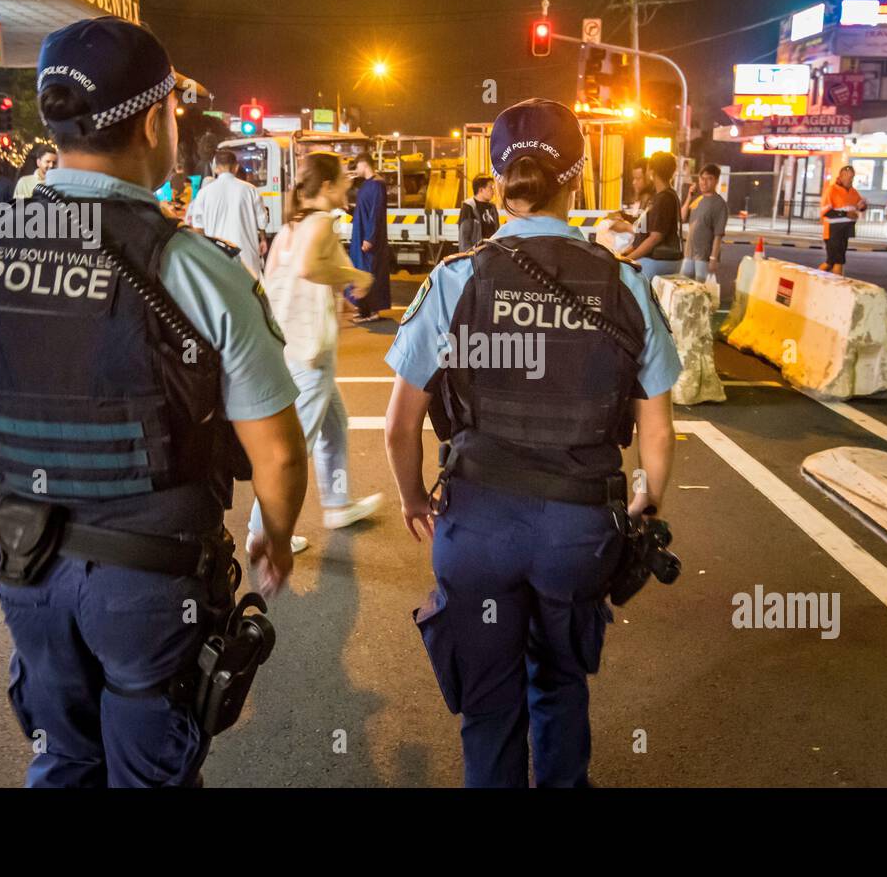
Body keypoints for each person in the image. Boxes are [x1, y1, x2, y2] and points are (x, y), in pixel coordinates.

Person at [0, 16, 309, 787]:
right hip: (151, 590)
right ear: (157, 120)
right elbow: (280, 451)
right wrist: (277, 535)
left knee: (63, 760)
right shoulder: (198, 270)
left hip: (30, 575)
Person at [384, 98, 681, 787]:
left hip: (478, 521)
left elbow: (401, 424)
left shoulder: (455, 278)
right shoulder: (625, 284)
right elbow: (659, 429)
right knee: (561, 682)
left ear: (495, 179)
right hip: (579, 529)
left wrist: (410, 499)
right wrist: (649, 501)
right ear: (580, 180)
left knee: (487, 706)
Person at [250, 151, 382, 558]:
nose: (349, 185)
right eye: (343, 179)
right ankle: (263, 531)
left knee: (335, 426)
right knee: (296, 445)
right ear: (326, 186)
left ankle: (338, 504)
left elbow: (276, 279)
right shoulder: (321, 222)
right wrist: (355, 276)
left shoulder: (292, 225)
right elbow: (310, 268)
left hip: (288, 344)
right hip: (310, 351)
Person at [185, 149, 267, 277]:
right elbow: (262, 221)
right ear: (236, 167)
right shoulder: (250, 190)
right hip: (247, 257)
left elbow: (198, 228)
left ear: (216, 169)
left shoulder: (204, 193)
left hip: (218, 258)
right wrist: (262, 239)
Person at [625, 151, 684, 278]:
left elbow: (654, 238)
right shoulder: (668, 196)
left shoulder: (663, 199)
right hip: (661, 259)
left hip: (658, 259)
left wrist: (627, 259)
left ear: (652, 171)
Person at [348, 153, 391, 322]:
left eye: (357, 166)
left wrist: (370, 238)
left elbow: (376, 214)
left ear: (364, 164)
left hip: (368, 238)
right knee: (360, 270)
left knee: (370, 271)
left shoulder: (377, 185)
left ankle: (372, 310)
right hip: (360, 235)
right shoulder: (366, 185)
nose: (356, 170)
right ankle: (363, 308)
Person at [680, 164, 727, 282]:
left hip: (704, 257)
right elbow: (682, 217)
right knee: (684, 286)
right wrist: (689, 197)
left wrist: (713, 258)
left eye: (709, 178)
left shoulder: (719, 204)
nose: (704, 182)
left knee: (701, 291)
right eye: (702, 178)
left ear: (716, 180)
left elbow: (718, 234)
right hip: (689, 253)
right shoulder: (698, 199)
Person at [818, 165, 866, 276]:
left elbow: (859, 206)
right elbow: (826, 212)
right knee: (837, 261)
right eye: (850, 177)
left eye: (853, 177)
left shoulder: (853, 192)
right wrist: (846, 214)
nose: (851, 180)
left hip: (846, 230)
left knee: (832, 262)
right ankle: (836, 286)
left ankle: (816, 279)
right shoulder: (832, 190)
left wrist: (863, 206)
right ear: (842, 176)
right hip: (833, 230)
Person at [457, 175, 499, 253]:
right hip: (477, 254)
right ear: (481, 190)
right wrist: (468, 256)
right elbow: (464, 237)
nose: (493, 191)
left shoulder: (492, 207)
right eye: (491, 187)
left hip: (492, 252)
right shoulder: (469, 207)